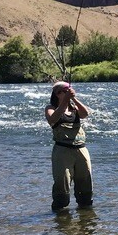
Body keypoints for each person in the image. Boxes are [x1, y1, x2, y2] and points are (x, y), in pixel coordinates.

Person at [45, 81, 93, 211]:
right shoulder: (50, 108)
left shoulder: (74, 107)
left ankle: (85, 213)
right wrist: (65, 100)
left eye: (69, 90)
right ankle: (60, 217)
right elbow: (52, 119)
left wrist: (73, 99)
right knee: (63, 184)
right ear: (57, 94)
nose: (68, 92)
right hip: (62, 151)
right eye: (65, 90)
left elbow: (85, 114)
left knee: (85, 183)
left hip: (81, 149)